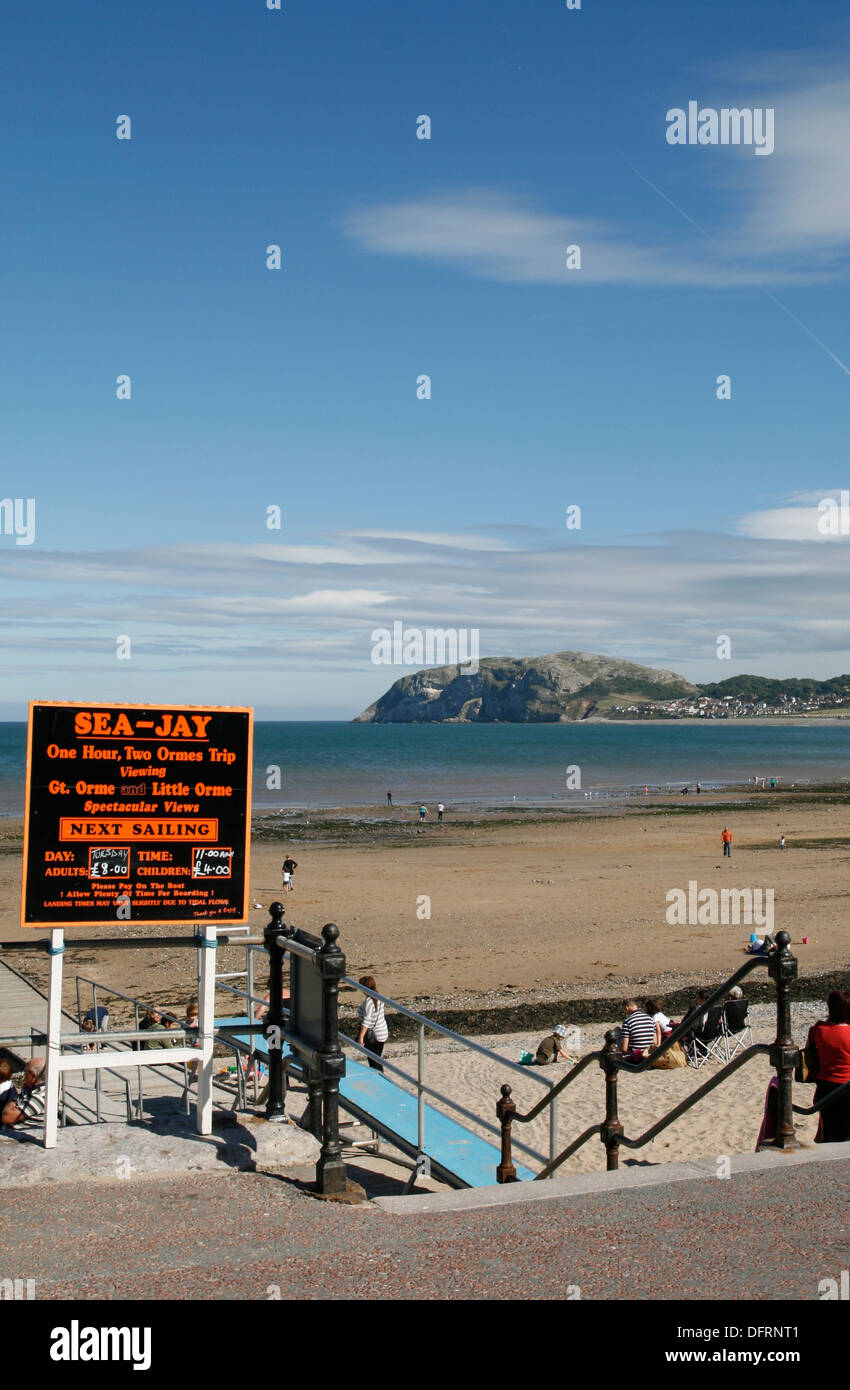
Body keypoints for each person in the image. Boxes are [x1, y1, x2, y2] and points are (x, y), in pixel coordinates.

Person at [806, 991, 850, 1143]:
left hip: (825, 1087)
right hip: (847, 1087)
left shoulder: (817, 1029)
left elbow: (808, 1052)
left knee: (829, 1134)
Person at [1, 1058, 46, 1126]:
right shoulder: (29, 1088)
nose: (23, 1075)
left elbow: (6, 1117)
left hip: (17, 1133)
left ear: (33, 1076)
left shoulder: (39, 1097)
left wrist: (14, 1101)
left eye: (25, 1072)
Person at [356, 975, 388, 1072]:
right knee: (376, 1058)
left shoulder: (370, 1001)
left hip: (375, 1034)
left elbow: (367, 1021)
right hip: (382, 1032)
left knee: (373, 1060)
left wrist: (361, 1037)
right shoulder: (379, 997)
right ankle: (381, 1077)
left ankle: (380, 1079)